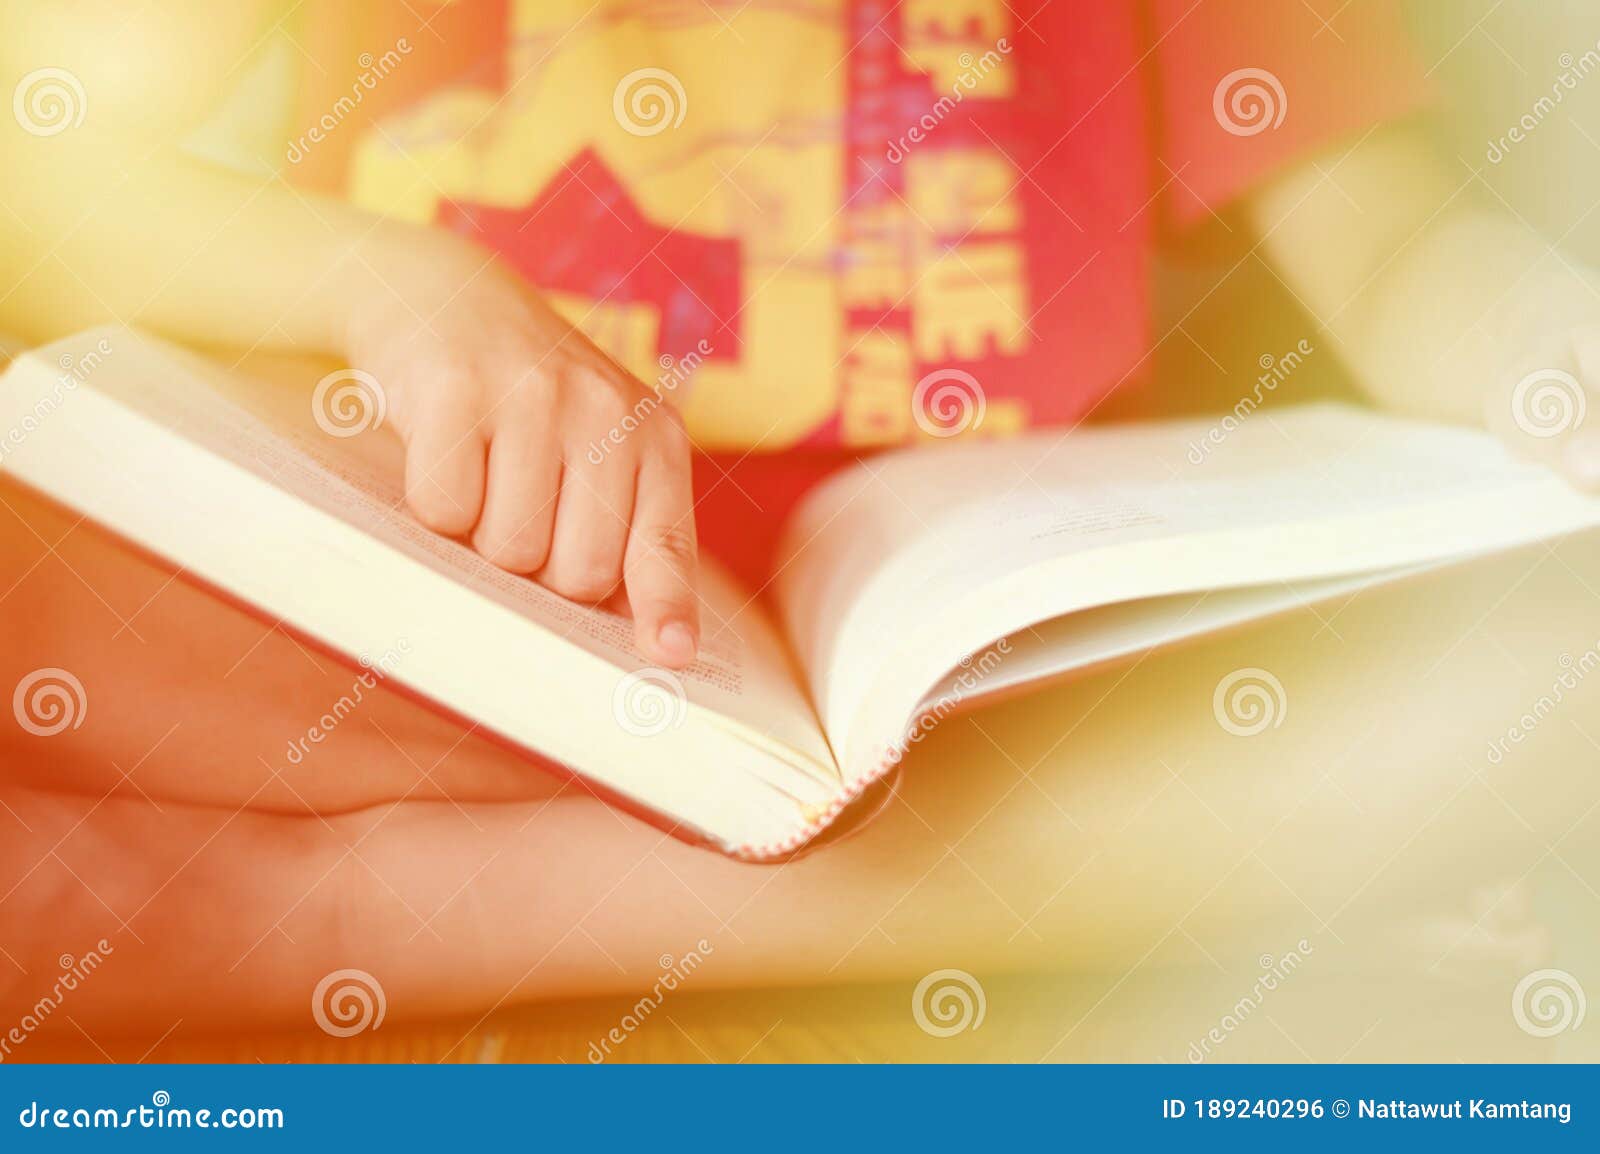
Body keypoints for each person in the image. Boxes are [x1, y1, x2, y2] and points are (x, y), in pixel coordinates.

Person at [1, 0, 1597, 1045]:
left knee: (1569, 687)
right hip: (444, 655)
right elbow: (49, 175)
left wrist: (1537, 337)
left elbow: (1400, 251)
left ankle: (327, 909)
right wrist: (381, 278)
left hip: (990, 733)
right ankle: (1178, 869)